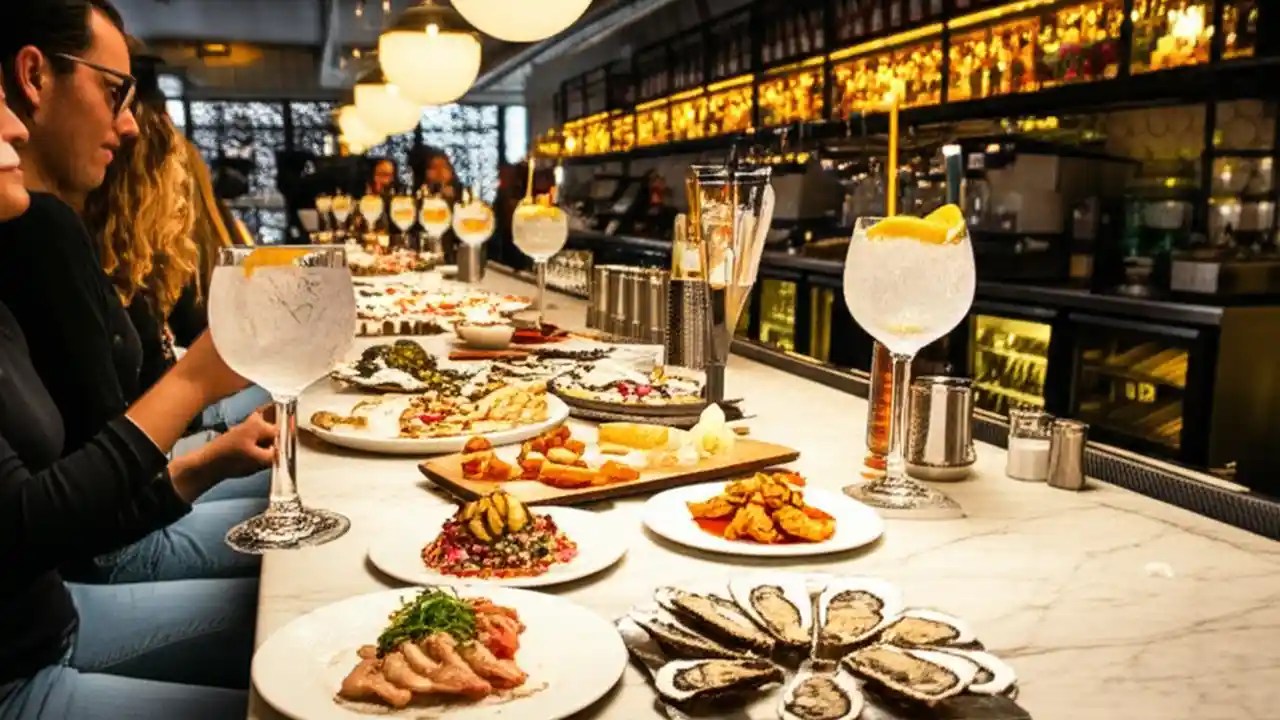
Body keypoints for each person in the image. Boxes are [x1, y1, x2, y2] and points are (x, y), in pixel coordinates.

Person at [0, 57, 258, 720]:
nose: (15, 129)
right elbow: (41, 524)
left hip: (55, 613)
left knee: (310, 611)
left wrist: (207, 461)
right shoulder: (45, 236)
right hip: (24, 668)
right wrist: (194, 383)